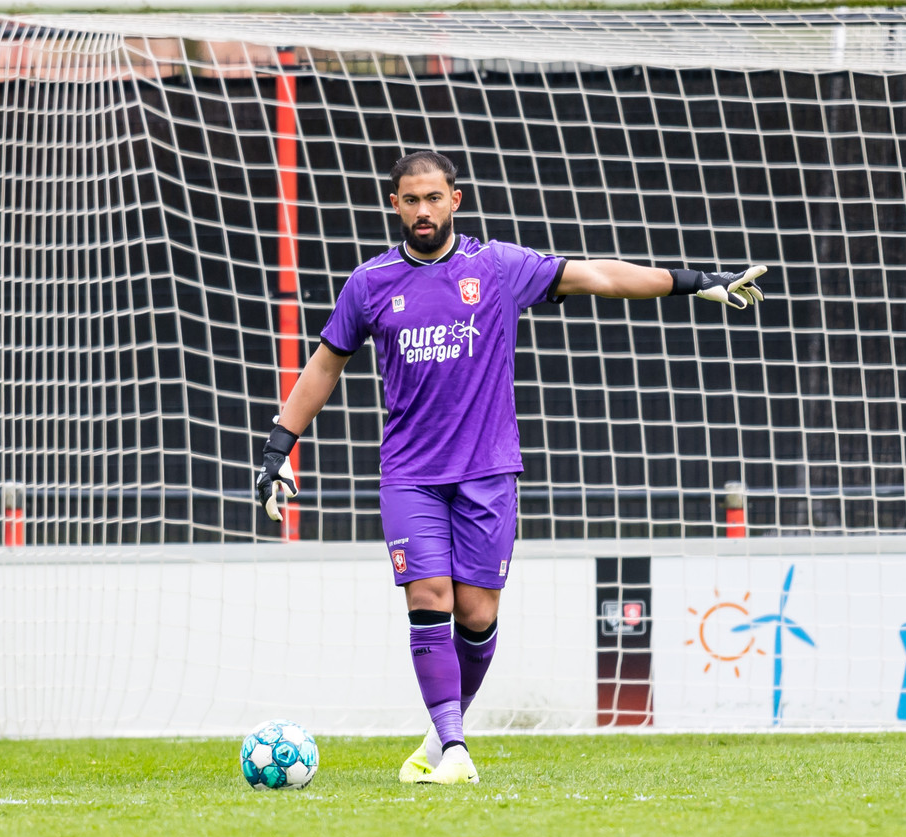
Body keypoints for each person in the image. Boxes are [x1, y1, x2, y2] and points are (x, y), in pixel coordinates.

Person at [255, 150, 764, 785]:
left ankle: (439, 741)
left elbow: (598, 276)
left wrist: (693, 280)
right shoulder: (370, 282)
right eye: (410, 200)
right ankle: (456, 745)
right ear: (394, 205)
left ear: (455, 200)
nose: (422, 210)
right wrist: (279, 448)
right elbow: (325, 365)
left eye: (433, 198)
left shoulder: (495, 267)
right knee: (429, 596)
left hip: (488, 473)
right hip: (410, 473)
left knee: (476, 614)